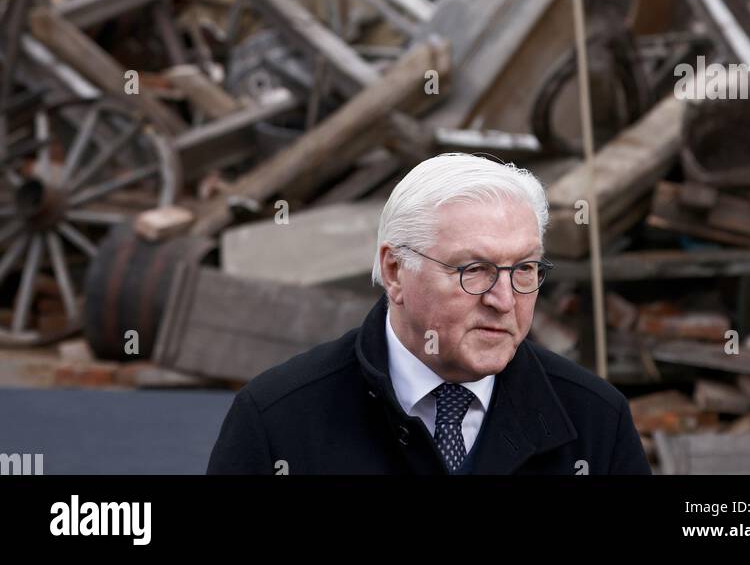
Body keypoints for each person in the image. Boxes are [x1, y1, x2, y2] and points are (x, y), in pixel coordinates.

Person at [206, 152, 651, 475]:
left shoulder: (594, 420)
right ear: (395, 270)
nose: (503, 299)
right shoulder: (279, 419)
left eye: (525, 269)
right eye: (474, 270)